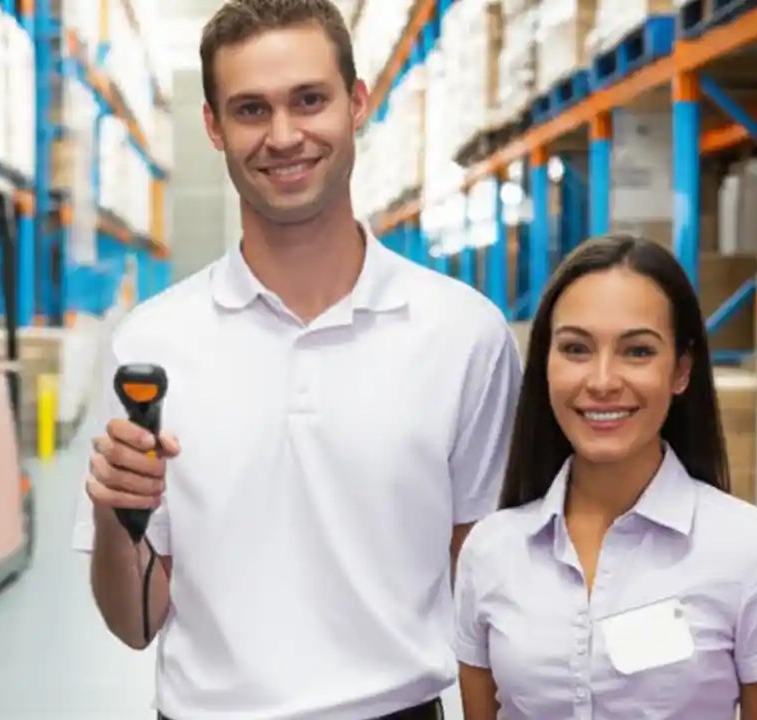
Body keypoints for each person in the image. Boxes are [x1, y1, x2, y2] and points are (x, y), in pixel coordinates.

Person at [69, 1, 522, 718]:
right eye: (251, 109)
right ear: (214, 126)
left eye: (309, 100)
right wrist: (112, 515)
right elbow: (135, 623)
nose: (283, 137)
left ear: (357, 102)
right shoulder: (152, 347)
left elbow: (486, 593)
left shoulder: (463, 334)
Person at [452, 235, 757, 720]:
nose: (602, 381)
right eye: (576, 349)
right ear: (545, 366)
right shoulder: (490, 552)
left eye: (638, 351)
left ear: (681, 370)